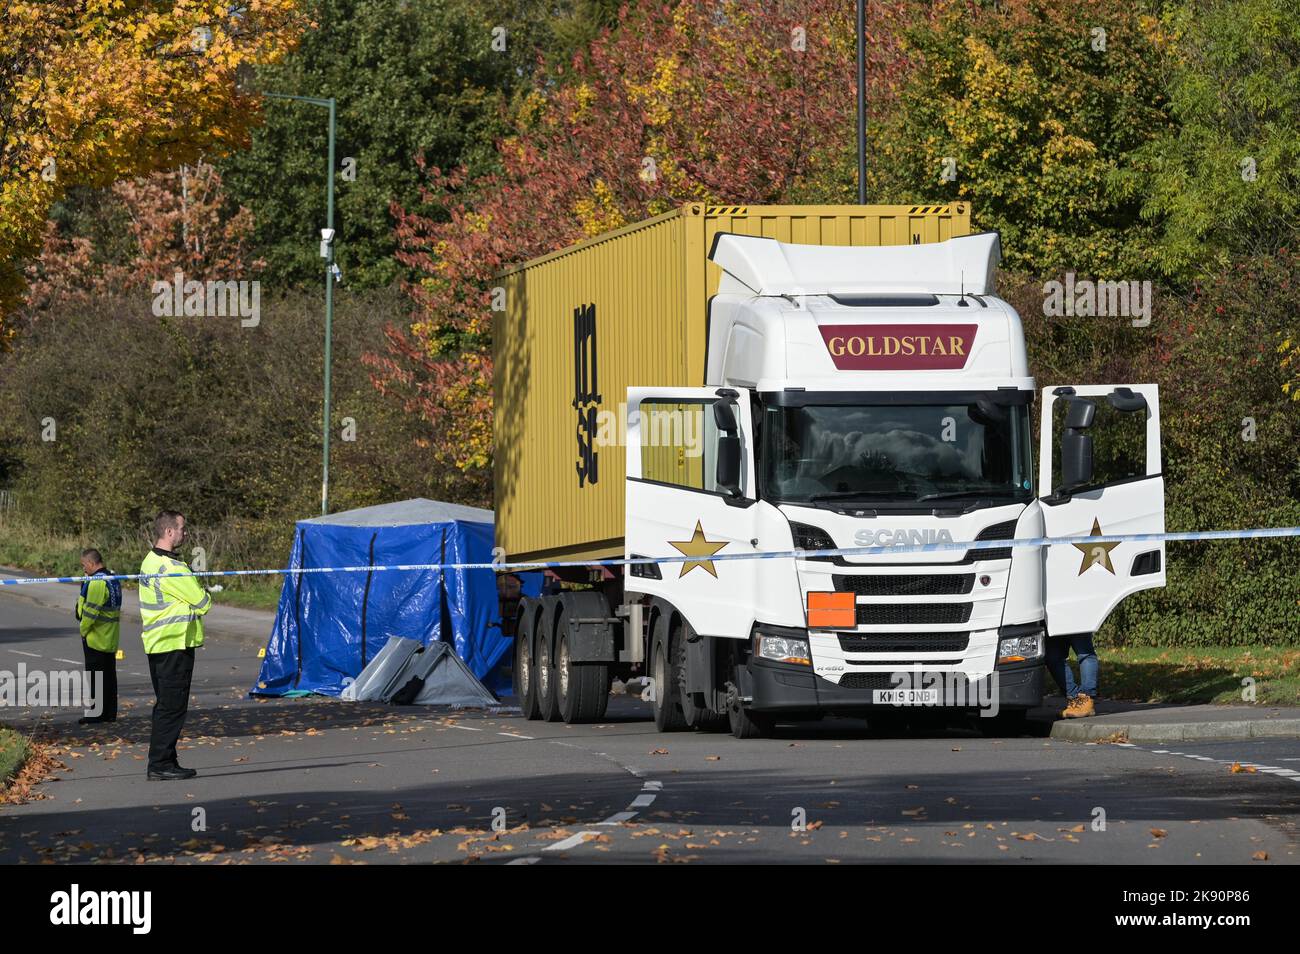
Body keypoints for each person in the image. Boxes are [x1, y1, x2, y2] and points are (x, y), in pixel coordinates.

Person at [139, 511, 211, 780]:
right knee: (172, 707)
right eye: (182, 528)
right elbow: (204, 603)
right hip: (175, 644)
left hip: (157, 644)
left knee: (165, 705)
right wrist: (196, 586)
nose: (185, 533)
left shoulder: (149, 561)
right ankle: (159, 764)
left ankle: (166, 759)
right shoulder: (174, 569)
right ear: (169, 532)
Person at [75, 548, 120, 724]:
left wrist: (83, 631)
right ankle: (110, 713)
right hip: (110, 636)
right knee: (109, 676)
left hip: (96, 636)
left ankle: (96, 714)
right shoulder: (113, 579)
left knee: (96, 678)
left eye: (84, 565)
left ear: (92, 563)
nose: (83, 569)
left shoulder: (97, 583)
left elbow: (90, 613)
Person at [1046, 634, 1098, 718]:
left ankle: (1086, 699)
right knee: (1053, 658)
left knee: (1085, 654)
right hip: (1054, 623)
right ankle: (1075, 698)